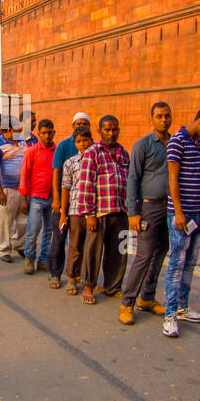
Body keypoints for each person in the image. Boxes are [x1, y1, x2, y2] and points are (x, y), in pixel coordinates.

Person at [163, 106, 200, 337]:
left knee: (189, 264)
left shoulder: (199, 143)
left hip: (198, 214)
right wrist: (178, 213)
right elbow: (173, 178)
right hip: (182, 214)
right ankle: (170, 314)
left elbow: (194, 172)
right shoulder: (177, 141)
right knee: (177, 264)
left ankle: (182, 307)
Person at [120, 102, 173, 326]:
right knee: (144, 255)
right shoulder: (143, 145)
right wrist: (134, 212)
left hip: (168, 207)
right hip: (148, 207)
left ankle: (148, 297)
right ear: (151, 118)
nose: (164, 120)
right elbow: (133, 178)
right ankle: (127, 302)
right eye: (159, 116)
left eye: (167, 116)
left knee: (162, 251)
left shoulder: (174, 144)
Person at [76, 115, 130, 307]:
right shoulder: (92, 153)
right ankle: (89, 285)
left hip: (121, 211)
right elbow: (86, 185)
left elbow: (129, 181)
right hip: (99, 212)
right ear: (99, 131)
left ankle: (113, 285)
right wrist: (89, 214)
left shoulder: (123, 153)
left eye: (115, 129)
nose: (111, 133)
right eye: (107, 130)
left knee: (120, 250)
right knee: (93, 250)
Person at [49, 113, 92, 289]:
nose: (80, 125)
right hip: (65, 200)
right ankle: (55, 274)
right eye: (77, 123)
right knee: (59, 238)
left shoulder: (94, 150)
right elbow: (57, 172)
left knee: (79, 242)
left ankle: (78, 274)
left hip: (83, 206)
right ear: (72, 125)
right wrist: (57, 200)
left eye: (84, 124)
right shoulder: (64, 146)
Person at [61, 128, 96, 297]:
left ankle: (86, 277)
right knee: (75, 245)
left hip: (94, 210)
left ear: (91, 140)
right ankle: (71, 277)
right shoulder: (70, 162)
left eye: (86, 140)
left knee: (90, 247)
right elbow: (66, 188)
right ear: (75, 143)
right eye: (79, 141)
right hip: (75, 209)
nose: (83, 144)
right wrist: (63, 213)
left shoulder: (98, 159)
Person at [19, 118, 57, 273]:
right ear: (39, 134)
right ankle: (29, 258)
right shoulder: (31, 151)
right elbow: (24, 174)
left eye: (49, 133)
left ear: (54, 133)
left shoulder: (57, 151)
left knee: (49, 230)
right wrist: (23, 198)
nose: (47, 136)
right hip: (35, 196)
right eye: (44, 133)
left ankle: (43, 259)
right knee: (33, 229)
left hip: (52, 197)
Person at [0, 120, 30, 263]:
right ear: (9, 129)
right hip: (7, 189)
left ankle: (19, 244)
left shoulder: (22, 142)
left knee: (23, 221)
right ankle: (4, 249)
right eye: (17, 129)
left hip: (23, 189)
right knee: (5, 221)